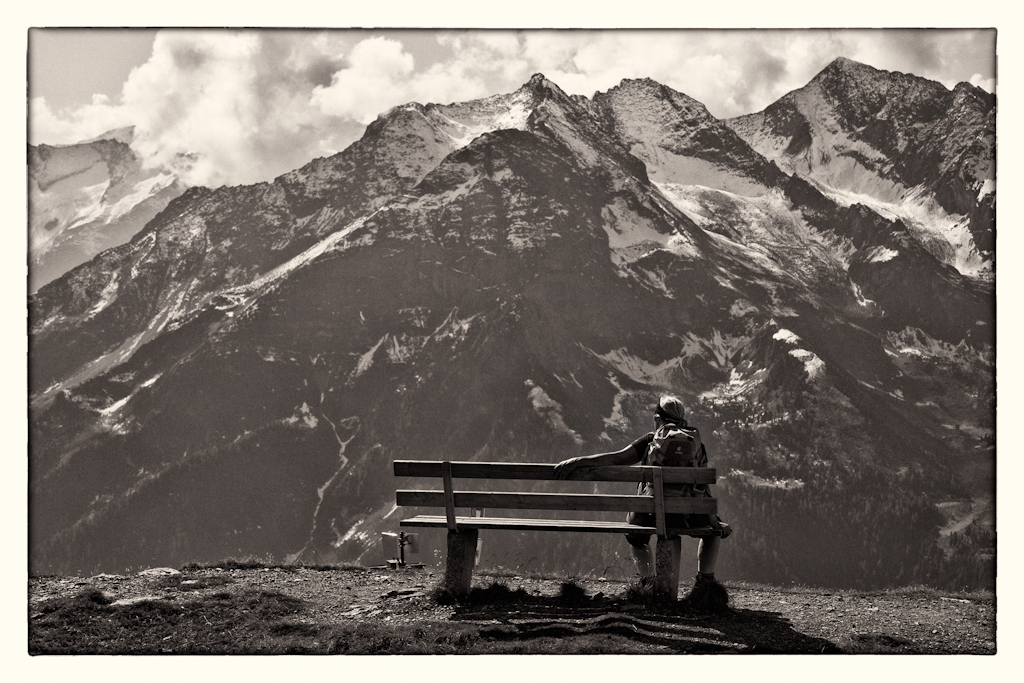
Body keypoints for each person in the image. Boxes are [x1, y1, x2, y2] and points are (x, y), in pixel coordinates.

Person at [553, 395, 730, 597]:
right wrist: (713, 520)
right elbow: (703, 484)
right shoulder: (695, 443)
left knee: (635, 536)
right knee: (713, 533)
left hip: (650, 514)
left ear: (658, 418)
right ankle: (705, 585)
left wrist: (578, 461)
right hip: (688, 514)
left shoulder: (650, 441)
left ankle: (647, 583)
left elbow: (616, 459)